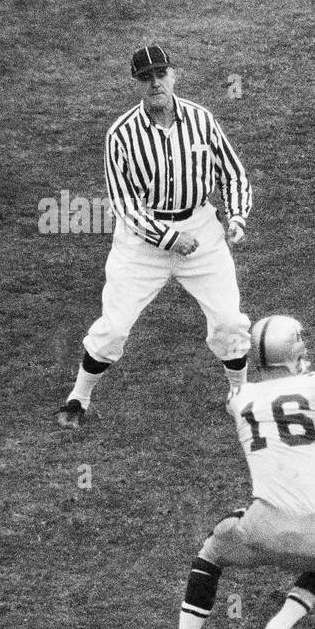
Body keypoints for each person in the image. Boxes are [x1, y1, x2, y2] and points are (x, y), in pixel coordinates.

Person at [148, 318, 315, 629]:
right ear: (290, 350)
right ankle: (279, 627)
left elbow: (254, 396)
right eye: (300, 340)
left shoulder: (239, 399)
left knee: (213, 548)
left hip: (259, 533)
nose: (306, 346)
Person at [55, 44, 252, 428]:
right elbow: (125, 206)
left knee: (229, 320)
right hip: (142, 237)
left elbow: (233, 173)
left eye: (161, 74)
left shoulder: (202, 119)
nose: (155, 82)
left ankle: (240, 394)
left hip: (200, 228)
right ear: (135, 83)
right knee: (113, 327)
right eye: (146, 77)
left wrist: (237, 217)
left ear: (174, 75)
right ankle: (78, 398)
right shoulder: (120, 135)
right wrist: (167, 238)